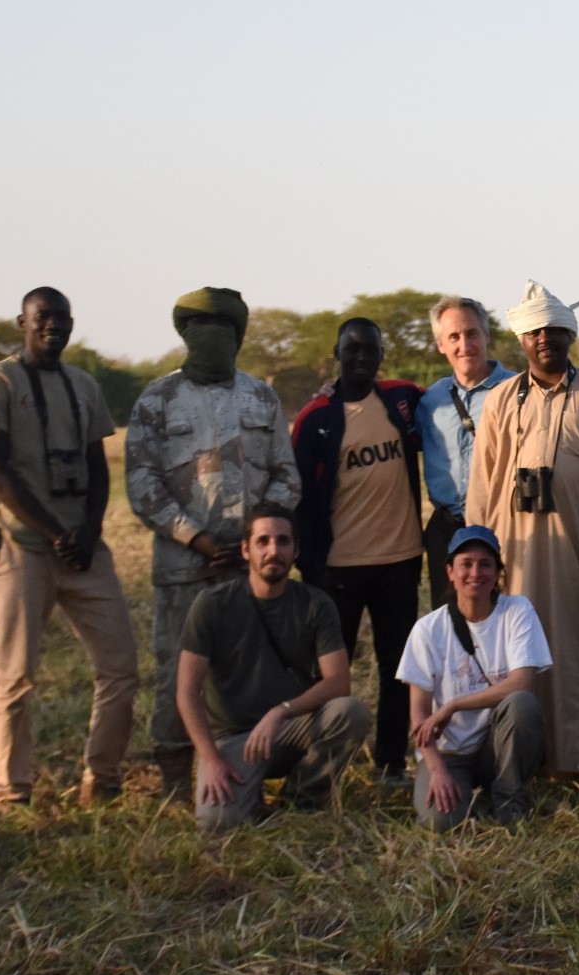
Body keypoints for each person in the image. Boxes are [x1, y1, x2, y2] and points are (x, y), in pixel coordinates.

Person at [0, 287, 141, 811]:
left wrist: (88, 531)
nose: (52, 327)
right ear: (22, 321)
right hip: (23, 547)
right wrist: (51, 532)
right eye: (43, 318)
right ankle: (12, 789)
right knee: (16, 675)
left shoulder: (83, 385)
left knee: (121, 667)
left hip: (83, 549)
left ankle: (102, 778)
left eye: (61, 319)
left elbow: (97, 466)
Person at [125, 287, 300, 801]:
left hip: (252, 569)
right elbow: (142, 485)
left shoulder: (262, 398)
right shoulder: (156, 400)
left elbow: (286, 478)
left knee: (253, 668)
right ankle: (177, 778)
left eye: (225, 331)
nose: (213, 341)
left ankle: (257, 764)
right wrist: (197, 539)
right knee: (176, 671)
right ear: (184, 335)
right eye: (201, 330)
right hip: (184, 569)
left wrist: (253, 540)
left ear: (239, 337)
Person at [468, 280, 579, 786]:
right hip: (515, 564)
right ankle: (522, 766)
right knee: (516, 661)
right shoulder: (499, 402)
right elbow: (483, 487)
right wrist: (481, 565)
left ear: (569, 335)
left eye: (554, 329)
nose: (544, 339)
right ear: (522, 339)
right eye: (535, 331)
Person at [177, 503, 371, 831]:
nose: (273, 551)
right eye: (263, 541)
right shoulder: (213, 604)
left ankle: (302, 798)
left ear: (295, 550)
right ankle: (248, 801)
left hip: (290, 727)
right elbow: (186, 691)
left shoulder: (315, 603)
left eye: (283, 541)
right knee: (217, 822)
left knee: (352, 713)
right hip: (234, 739)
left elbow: (339, 682)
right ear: (245, 550)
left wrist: (281, 711)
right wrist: (209, 758)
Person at [290, 318, 424, 786]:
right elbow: (301, 502)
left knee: (398, 668)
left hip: (401, 561)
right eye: (353, 351)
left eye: (371, 350)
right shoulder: (315, 419)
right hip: (339, 570)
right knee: (333, 672)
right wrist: (311, 569)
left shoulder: (403, 399)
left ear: (382, 353)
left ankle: (391, 763)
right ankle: (322, 769)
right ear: (337, 353)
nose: (363, 358)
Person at [400, 526, 552, 829]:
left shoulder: (517, 610)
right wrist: (437, 769)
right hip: (449, 753)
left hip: (496, 748)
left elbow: (522, 682)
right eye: (466, 564)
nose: (475, 573)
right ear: (450, 571)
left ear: (498, 572)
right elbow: (419, 717)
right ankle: (468, 792)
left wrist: (453, 705)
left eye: (486, 564)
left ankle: (509, 798)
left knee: (522, 704)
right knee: (439, 823)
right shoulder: (428, 630)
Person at [419, 295, 514, 608]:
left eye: (472, 334)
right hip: (446, 528)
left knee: (505, 613)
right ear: (440, 345)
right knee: (449, 620)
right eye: (454, 337)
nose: (464, 345)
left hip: (502, 525)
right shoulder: (430, 401)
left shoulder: (518, 391)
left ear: (487, 336)